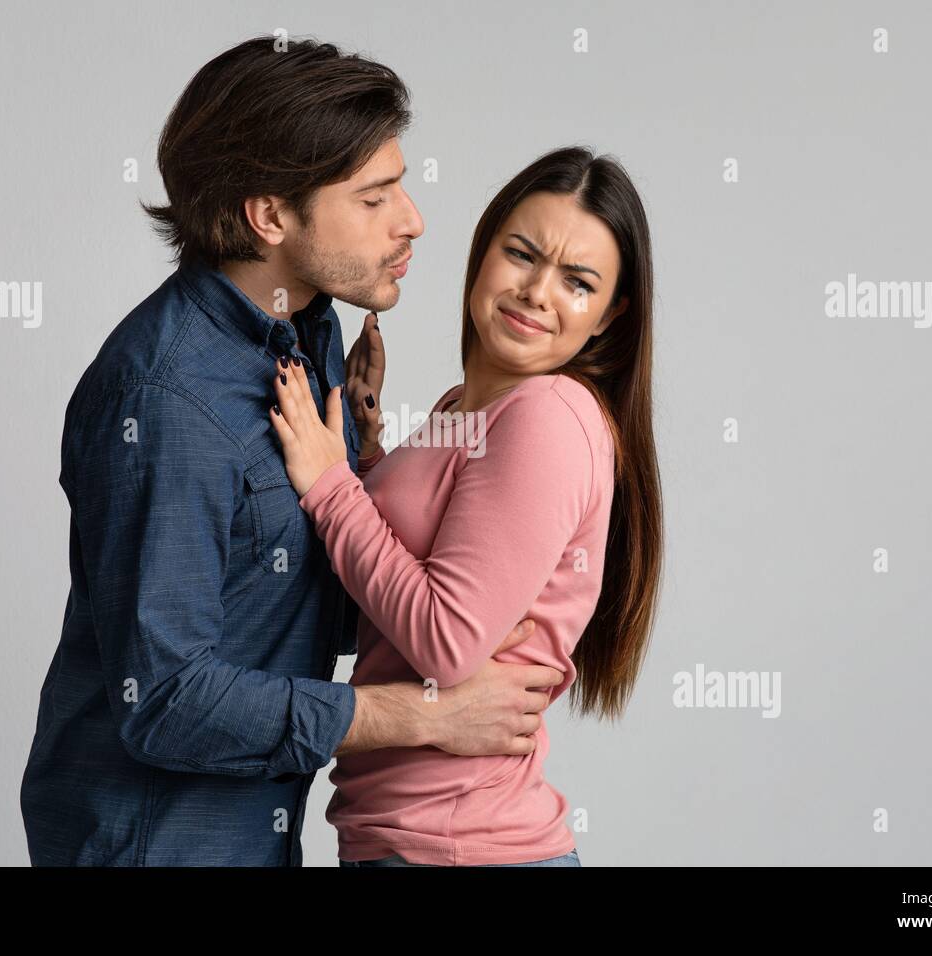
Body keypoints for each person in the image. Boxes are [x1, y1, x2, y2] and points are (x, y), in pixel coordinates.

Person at [18, 36, 560, 867]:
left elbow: (288, 601)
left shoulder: (306, 336)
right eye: (376, 197)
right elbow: (164, 697)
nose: (412, 220)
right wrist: (422, 715)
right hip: (153, 846)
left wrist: (386, 491)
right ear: (269, 216)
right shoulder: (164, 403)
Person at [269, 146, 665, 866]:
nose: (538, 291)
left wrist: (330, 488)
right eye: (522, 254)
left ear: (610, 315)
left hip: (466, 849)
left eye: (578, 282)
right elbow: (395, 597)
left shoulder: (547, 415)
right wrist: (364, 453)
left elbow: (445, 639)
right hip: (411, 842)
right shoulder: (467, 407)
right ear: (484, 251)